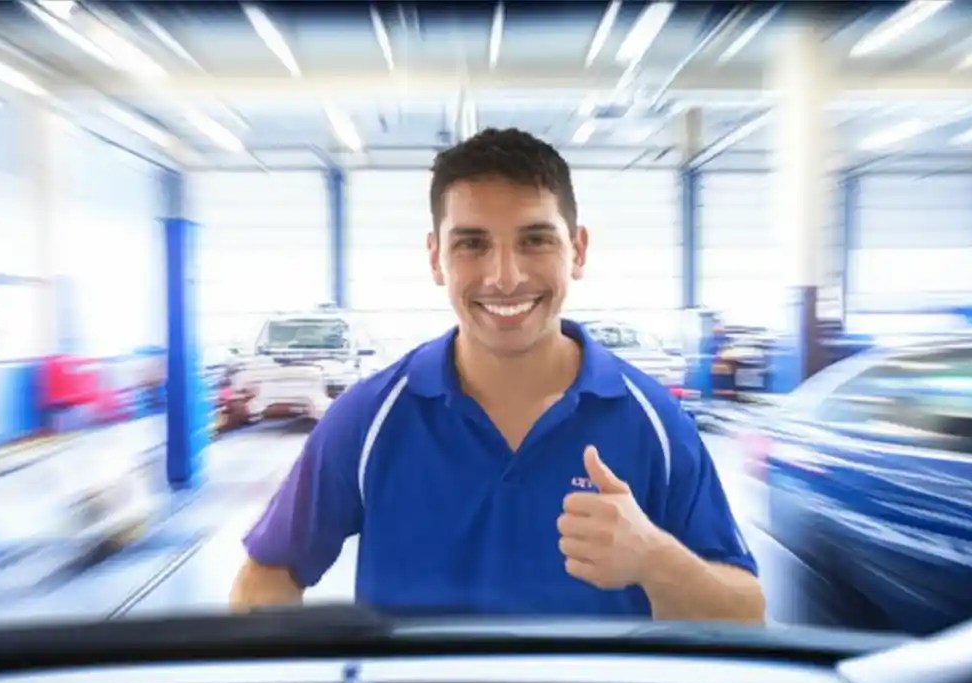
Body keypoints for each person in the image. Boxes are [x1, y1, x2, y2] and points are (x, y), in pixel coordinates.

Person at [230, 128, 765, 622]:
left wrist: (654, 559)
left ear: (577, 250)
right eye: (471, 243)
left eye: (535, 240)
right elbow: (267, 578)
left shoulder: (654, 422)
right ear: (436, 257)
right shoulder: (370, 418)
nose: (504, 277)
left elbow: (747, 615)